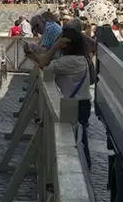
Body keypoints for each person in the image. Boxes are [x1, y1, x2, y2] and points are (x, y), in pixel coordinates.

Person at [24, 26, 92, 167]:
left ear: (66, 44)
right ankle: (82, 170)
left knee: (75, 144)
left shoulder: (71, 61)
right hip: (79, 104)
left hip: (75, 106)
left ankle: (79, 174)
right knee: (78, 142)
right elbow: (46, 66)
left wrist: (54, 47)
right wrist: (32, 56)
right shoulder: (77, 59)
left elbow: (44, 65)